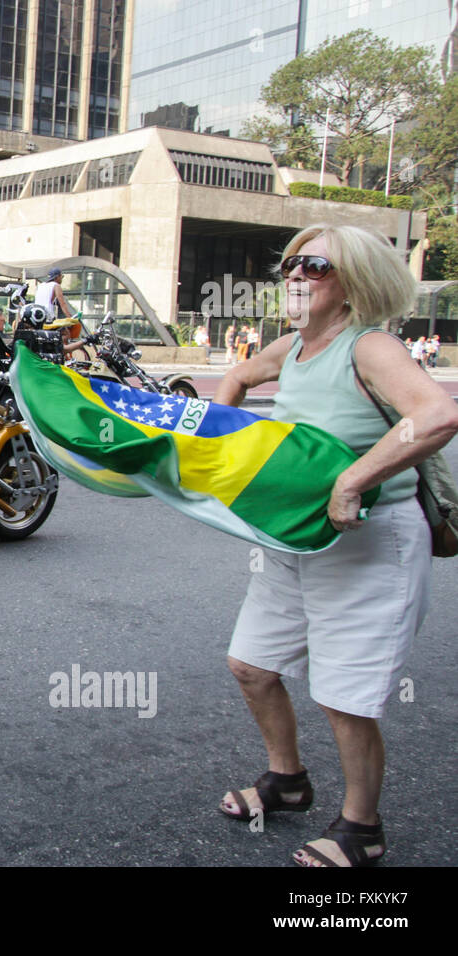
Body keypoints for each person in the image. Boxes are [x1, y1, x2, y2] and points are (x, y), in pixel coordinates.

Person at [214, 224, 458, 867]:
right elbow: (236, 378)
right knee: (252, 665)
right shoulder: (293, 347)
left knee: (344, 695)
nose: (296, 274)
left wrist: (352, 480)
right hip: (294, 538)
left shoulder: (368, 346)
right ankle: (288, 782)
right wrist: (239, 451)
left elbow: (435, 415)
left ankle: (361, 829)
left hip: (371, 541)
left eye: (315, 265)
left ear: (353, 283)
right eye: (291, 263)